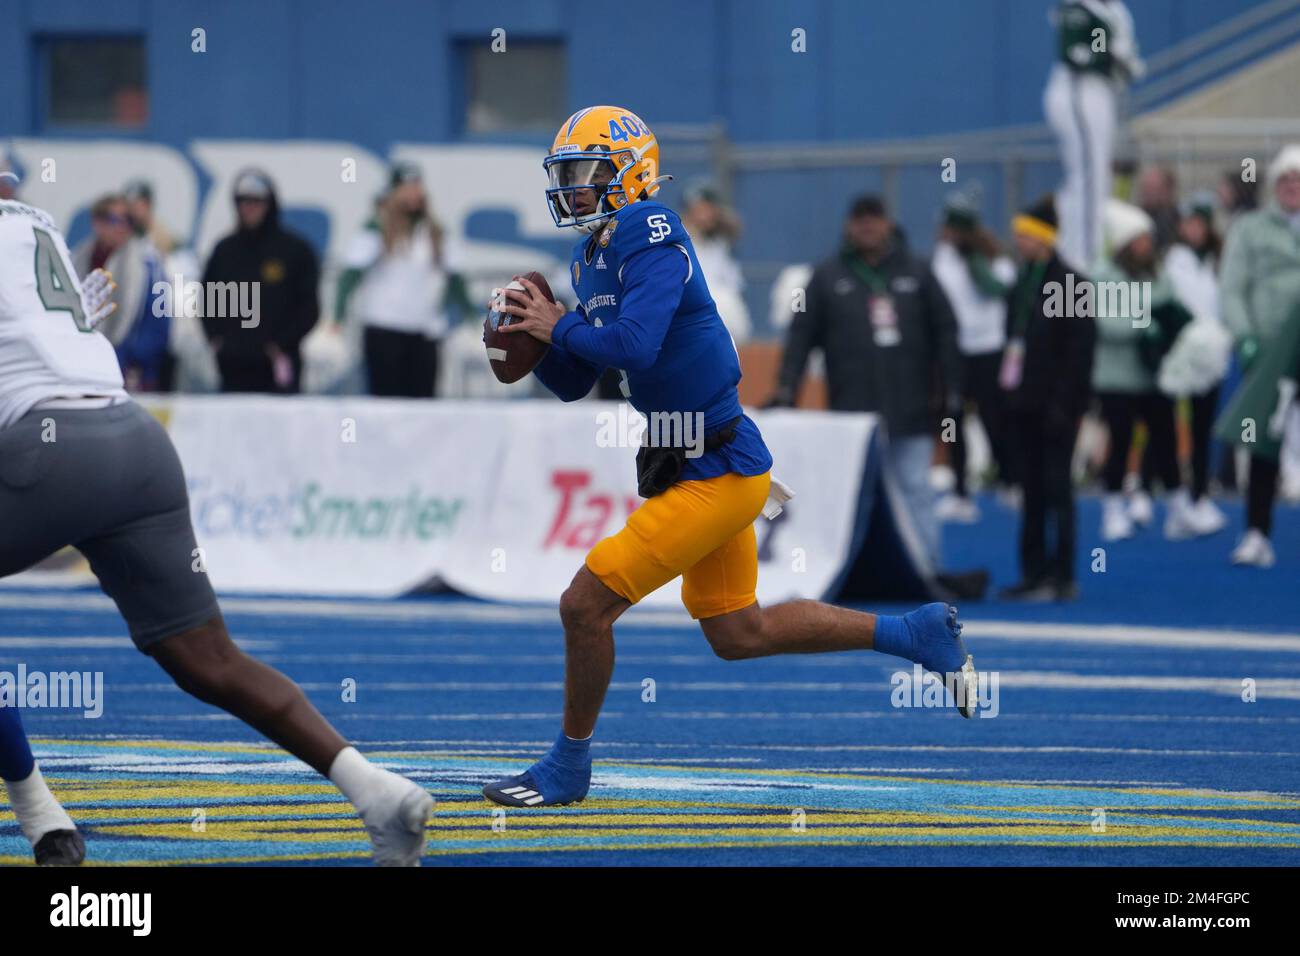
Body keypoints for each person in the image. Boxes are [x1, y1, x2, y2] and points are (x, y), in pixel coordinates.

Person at [479, 106, 979, 808]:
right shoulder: (593, 251)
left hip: (720, 469)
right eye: (567, 175)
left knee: (583, 607)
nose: (574, 189)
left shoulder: (650, 234)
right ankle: (915, 631)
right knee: (739, 632)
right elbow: (577, 382)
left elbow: (634, 346)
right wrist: (526, 340)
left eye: (587, 174)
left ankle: (568, 767)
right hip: (693, 462)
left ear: (632, 174)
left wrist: (559, 324)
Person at [0, 199, 433, 865]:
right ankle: (375, 791)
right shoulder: (39, 223)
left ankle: (38, 810)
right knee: (211, 660)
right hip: (134, 442)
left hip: (46, 450)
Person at [771, 194, 963, 567]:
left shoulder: (918, 271)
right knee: (854, 493)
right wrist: (786, 388)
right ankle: (852, 567)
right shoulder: (827, 276)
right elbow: (800, 337)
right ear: (849, 226)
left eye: (874, 219)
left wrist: (953, 388)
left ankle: (925, 569)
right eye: (860, 220)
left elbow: (946, 331)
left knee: (916, 487)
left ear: (888, 224)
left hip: (912, 404)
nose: (867, 226)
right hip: (852, 413)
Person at [1091, 199, 1209, 542]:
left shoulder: (1159, 273)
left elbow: (1171, 309)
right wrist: (1146, 324)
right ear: (1125, 242)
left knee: (1166, 440)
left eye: (1148, 239)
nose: (1147, 245)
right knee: (1121, 440)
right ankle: (1112, 511)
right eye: (1140, 239)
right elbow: (1104, 323)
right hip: (1115, 378)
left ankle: (1178, 510)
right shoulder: (1101, 274)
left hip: (1155, 375)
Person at [998, 197, 1096, 601]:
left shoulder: (1072, 284)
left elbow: (1081, 352)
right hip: (1023, 404)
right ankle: (1033, 572)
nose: (1019, 242)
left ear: (1043, 238)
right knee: (1031, 491)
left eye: (1025, 235)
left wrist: (1067, 406)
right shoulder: (1021, 283)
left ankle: (1063, 575)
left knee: (1058, 490)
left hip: (1056, 407)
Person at [1218, 144, 1300, 567]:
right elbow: (1232, 287)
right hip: (1271, 349)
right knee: (1260, 440)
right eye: (1285, 179)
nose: (1292, 187)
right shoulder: (1250, 228)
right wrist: (1245, 335)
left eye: (1298, 179)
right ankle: (1255, 531)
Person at [336, 163, 471, 398]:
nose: (412, 193)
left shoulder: (435, 232)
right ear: (393, 192)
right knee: (386, 403)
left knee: (422, 404)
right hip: (384, 329)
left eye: (416, 186)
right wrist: (336, 317)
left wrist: (470, 317)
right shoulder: (376, 228)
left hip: (425, 330)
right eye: (405, 188)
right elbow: (350, 275)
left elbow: (455, 278)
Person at [931, 191, 1017, 522]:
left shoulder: (993, 256)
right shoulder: (942, 257)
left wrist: (975, 261)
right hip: (954, 352)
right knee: (953, 421)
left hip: (988, 351)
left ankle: (1010, 481)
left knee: (994, 419)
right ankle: (960, 492)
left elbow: (999, 288)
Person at [1044, 0, 1144, 271]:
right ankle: (1083, 259)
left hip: (1104, 92)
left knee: (1097, 177)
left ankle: (1085, 250)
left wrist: (1124, 60)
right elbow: (1077, 54)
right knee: (1089, 177)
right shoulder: (1079, 8)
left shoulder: (1115, 11)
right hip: (1079, 90)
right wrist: (1112, 55)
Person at [201, 169, 319, 393]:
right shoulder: (225, 250)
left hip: (278, 364)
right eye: (243, 201)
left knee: (281, 425)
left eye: (256, 201)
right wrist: (217, 340)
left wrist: (280, 345)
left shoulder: (295, 251)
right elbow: (207, 298)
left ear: (270, 204)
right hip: (232, 365)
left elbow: (309, 308)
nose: (249, 207)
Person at [1161, 194, 1230, 535]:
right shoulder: (1173, 261)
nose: (1193, 229)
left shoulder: (1218, 261)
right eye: (1187, 223)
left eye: (1198, 222)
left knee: (1203, 428)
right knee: (1169, 427)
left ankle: (1200, 495)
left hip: (1212, 355)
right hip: (1179, 356)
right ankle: (1168, 498)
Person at [70, 194, 169, 391]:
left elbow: (159, 319)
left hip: (130, 372)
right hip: (83, 368)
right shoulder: (76, 260)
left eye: (128, 221)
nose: (123, 227)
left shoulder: (146, 264)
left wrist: (133, 359)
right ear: (97, 223)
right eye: (115, 220)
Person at [681, 182, 751, 345]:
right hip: (692, 319)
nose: (704, 215)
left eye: (708, 209)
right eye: (698, 210)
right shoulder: (681, 244)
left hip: (723, 318)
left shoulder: (721, 243)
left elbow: (733, 226)